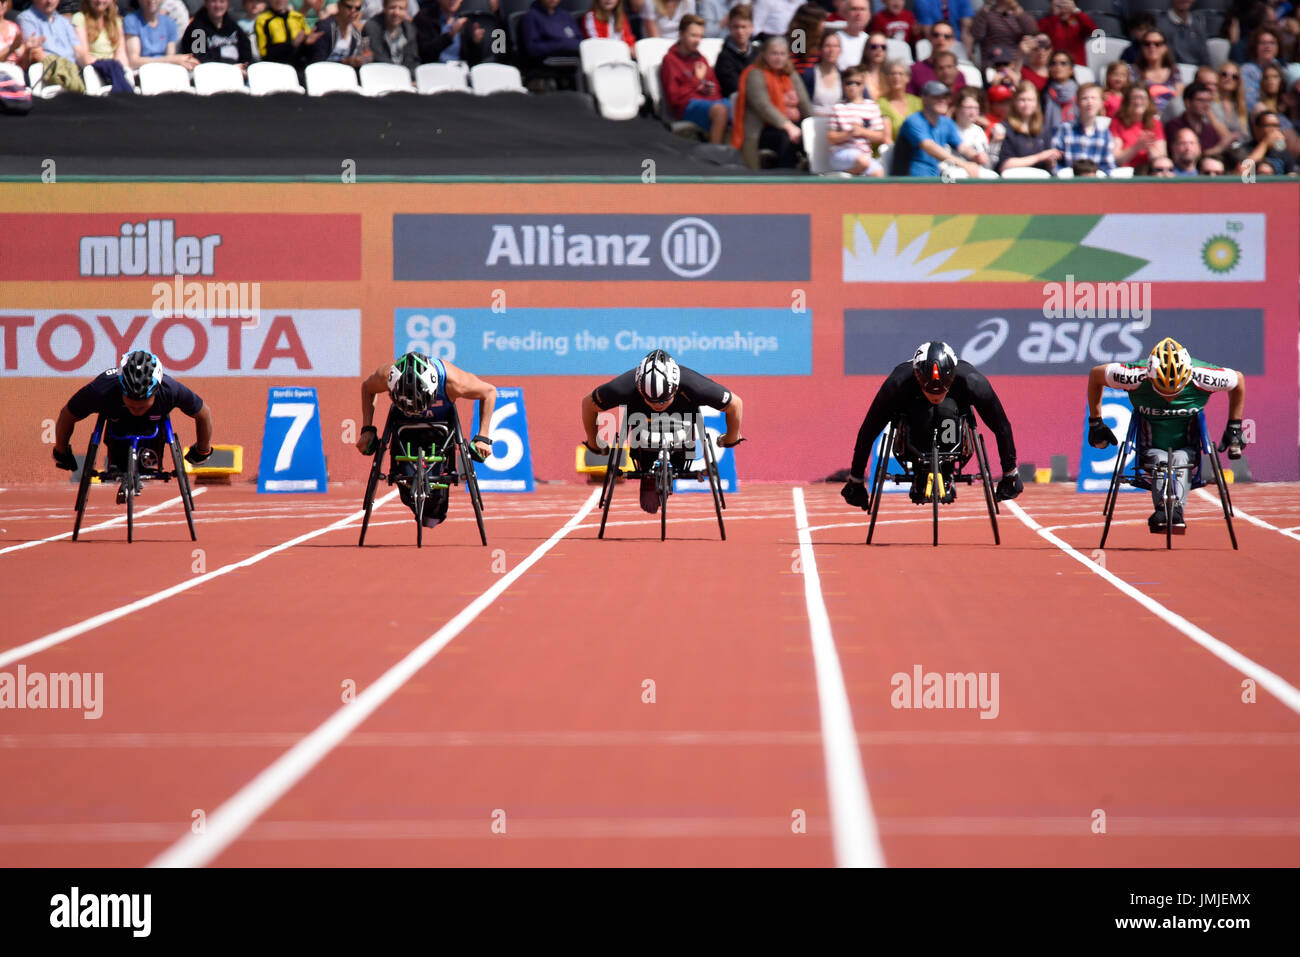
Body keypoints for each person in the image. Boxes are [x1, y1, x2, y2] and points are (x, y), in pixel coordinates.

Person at [1086, 337, 1246, 534]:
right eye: (1162, 390)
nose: (1169, 397)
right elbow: (1096, 375)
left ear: (1186, 376)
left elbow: (1238, 380)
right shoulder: (1134, 375)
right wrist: (1095, 422)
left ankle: (1175, 511)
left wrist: (1235, 426)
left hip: (1188, 448)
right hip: (1150, 447)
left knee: (1179, 458)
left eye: (1175, 391)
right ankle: (1164, 510)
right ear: (1150, 376)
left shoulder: (1203, 376)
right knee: (1160, 460)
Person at [841, 341, 1021, 510]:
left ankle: (948, 467)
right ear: (917, 376)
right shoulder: (897, 384)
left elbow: (1001, 426)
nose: (935, 394)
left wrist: (1010, 472)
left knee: (946, 409)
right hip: (913, 416)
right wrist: (855, 479)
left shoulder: (973, 382)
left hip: (954, 418)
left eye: (943, 387)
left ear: (952, 374)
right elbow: (869, 429)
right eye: (928, 387)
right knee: (923, 411)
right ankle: (919, 470)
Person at [582, 350, 743, 514]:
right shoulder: (624, 387)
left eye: (664, 400)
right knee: (641, 446)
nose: (657, 405)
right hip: (642, 436)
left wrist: (731, 436)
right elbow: (588, 403)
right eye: (649, 399)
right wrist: (593, 441)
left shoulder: (694, 384)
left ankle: (664, 472)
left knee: (682, 451)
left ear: (676, 387)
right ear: (639, 386)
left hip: (682, 436)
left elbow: (735, 404)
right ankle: (649, 475)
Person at [51, 351, 214, 503]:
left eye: (142, 406)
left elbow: (203, 413)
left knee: (155, 431)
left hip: (153, 432)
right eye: (132, 404)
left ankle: (141, 465)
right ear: (121, 388)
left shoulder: (170, 389)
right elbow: (67, 415)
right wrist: (61, 450)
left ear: (156, 390)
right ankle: (121, 467)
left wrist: (202, 450)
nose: (136, 410)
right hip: (116, 428)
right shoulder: (101, 389)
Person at [357, 351, 496, 529]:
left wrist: (483, 437)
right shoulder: (386, 375)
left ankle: (433, 509)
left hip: (439, 433)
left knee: (434, 512)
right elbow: (367, 388)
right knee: (408, 494)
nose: (415, 410)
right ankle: (415, 499)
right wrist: (367, 429)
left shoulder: (454, 381)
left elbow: (489, 392)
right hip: (404, 431)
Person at [732, 34, 814, 168]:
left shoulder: (791, 74)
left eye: (782, 54)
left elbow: (805, 104)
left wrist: (815, 125)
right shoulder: (755, 74)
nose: (778, 58)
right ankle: (782, 177)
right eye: (774, 53)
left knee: (810, 134)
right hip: (764, 126)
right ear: (764, 54)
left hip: (791, 123)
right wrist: (788, 126)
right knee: (786, 138)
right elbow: (763, 106)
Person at [661, 14, 731, 142]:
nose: (697, 40)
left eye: (700, 36)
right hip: (687, 107)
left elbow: (717, 89)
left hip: (710, 101)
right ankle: (715, 153)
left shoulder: (701, 58)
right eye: (693, 35)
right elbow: (673, 98)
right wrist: (697, 81)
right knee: (720, 110)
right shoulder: (670, 60)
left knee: (739, 106)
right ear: (681, 35)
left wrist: (709, 88)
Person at [895, 79, 982, 176]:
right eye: (936, 97)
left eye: (945, 97)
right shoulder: (913, 121)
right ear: (924, 99)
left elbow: (962, 147)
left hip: (936, 178)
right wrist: (963, 164)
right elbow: (930, 147)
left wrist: (976, 155)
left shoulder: (946, 122)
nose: (942, 100)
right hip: (910, 181)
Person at [827, 63, 887, 174]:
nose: (853, 86)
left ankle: (852, 179)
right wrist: (848, 134)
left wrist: (862, 131)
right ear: (843, 85)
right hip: (840, 154)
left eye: (857, 83)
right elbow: (831, 137)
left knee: (879, 173)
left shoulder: (872, 106)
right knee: (863, 162)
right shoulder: (838, 107)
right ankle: (844, 181)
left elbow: (880, 136)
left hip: (864, 155)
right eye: (849, 83)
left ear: (863, 85)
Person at [1050, 81, 1114, 174]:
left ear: (1101, 103)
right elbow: (1055, 164)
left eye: (1094, 98)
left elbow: (1109, 167)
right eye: (1085, 98)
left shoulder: (1105, 133)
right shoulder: (1064, 129)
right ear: (1077, 102)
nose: (1089, 102)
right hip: (1069, 184)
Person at [996, 78, 1059, 172]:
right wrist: (1039, 157)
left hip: (1040, 179)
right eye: (1022, 100)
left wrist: (1051, 160)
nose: (1026, 104)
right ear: (1014, 102)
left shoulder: (1043, 128)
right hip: (1014, 179)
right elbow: (1005, 165)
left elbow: (1049, 165)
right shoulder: (1005, 128)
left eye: (1030, 100)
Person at [124, 0, 198, 69]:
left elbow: (170, 57)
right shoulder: (131, 21)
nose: (151, 1)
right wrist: (172, 60)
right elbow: (134, 61)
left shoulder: (169, 23)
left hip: (164, 70)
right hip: (141, 72)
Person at [1165, 81, 1228, 158]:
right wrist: (1218, 148)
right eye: (1200, 100)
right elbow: (1184, 155)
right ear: (1187, 102)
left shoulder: (1210, 130)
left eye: (1208, 101)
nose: (1206, 105)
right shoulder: (1174, 126)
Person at [183, 0, 254, 65]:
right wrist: (223, 55)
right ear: (206, 3)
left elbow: (246, 54)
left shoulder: (234, 27)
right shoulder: (197, 29)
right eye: (213, 1)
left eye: (222, 1)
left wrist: (243, 67)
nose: (218, 5)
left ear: (227, 3)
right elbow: (198, 58)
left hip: (236, 74)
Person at [1111, 84, 1165, 170]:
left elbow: (1162, 159)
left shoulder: (1155, 124)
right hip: (1126, 172)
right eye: (1134, 98)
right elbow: (1117, 160)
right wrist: (1137, 146)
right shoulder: (1117, 123)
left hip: (1149, 171)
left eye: (1142, 98)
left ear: (1148, 101)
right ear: (1127, 101)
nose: (1138, 102)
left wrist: (1149, 147)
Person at [969, 0, 1035, 69]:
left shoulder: (1021, 14)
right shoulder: (987, 13)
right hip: (994, 63)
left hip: (1018, 64)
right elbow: (976, 35)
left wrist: (1017, 10)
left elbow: (1033, 33)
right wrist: (985, 9)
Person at [715, 3, 758, 98]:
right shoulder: (724, 57)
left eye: (744, 27)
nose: (740, 31)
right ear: (729, 28)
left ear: (751, 28)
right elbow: (735, 87)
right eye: (736, 27)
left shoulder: (759, 53)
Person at [908, 22, 964, 94]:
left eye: (946, 36)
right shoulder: (914, 70)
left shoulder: (958, 75)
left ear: (953, 41)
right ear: (929, 38)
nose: (941, 39)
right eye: (936, 35)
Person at [254, 0, 313, 65]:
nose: (279, 1)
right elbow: (264, 53)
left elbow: (307, 40)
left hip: (299, 64)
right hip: (276, 65)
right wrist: (292, 45)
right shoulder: (262, 20)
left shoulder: (297, 17)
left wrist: (308, 42)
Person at [1036, 0, 1092, 69]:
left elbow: (1093, 31)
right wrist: (1055, 15)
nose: (1062, 2)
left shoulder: (1078, 19)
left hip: (1077, 66)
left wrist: (1076, 10)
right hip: (1054, 66)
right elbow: (1038, 34)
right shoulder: (1047, 20)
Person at [310, 0, 369, 64]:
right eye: (349, 7)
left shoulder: (355, 34)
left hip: (345, 72)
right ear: (339, 5)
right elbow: (317, 62)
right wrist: (344, 61)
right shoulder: (325, 28)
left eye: (357, 8)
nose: (353, 11)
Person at [363, 0, 418, 69]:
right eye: (392, 8)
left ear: (406, 11)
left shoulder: (409, 29)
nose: (396, 13)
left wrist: (410, 76)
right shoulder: (372, 27)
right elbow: (377, 57)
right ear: (384, 7)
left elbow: (412, 59)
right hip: (380, 73)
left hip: (404, 76)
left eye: (401, 8)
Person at [1158, 0, 1210, 70]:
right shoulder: (1161, 25)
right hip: (1171, 71)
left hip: (1197, 72)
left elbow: (1205, 58)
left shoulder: (1198, 23)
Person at [877, 57, 920, 139]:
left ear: (908, 78)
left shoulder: (918, 102)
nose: (896, 77)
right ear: (886, 77)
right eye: (892, 74)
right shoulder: (880, 104)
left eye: (900, 74)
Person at [801, 27, 841, 112]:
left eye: (835, 46)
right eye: (827, 46)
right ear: (820, 49)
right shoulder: (809, 74)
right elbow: (802, 103)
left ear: (840, 50)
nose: (831, 50)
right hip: (813, 121)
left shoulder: (844, 75)